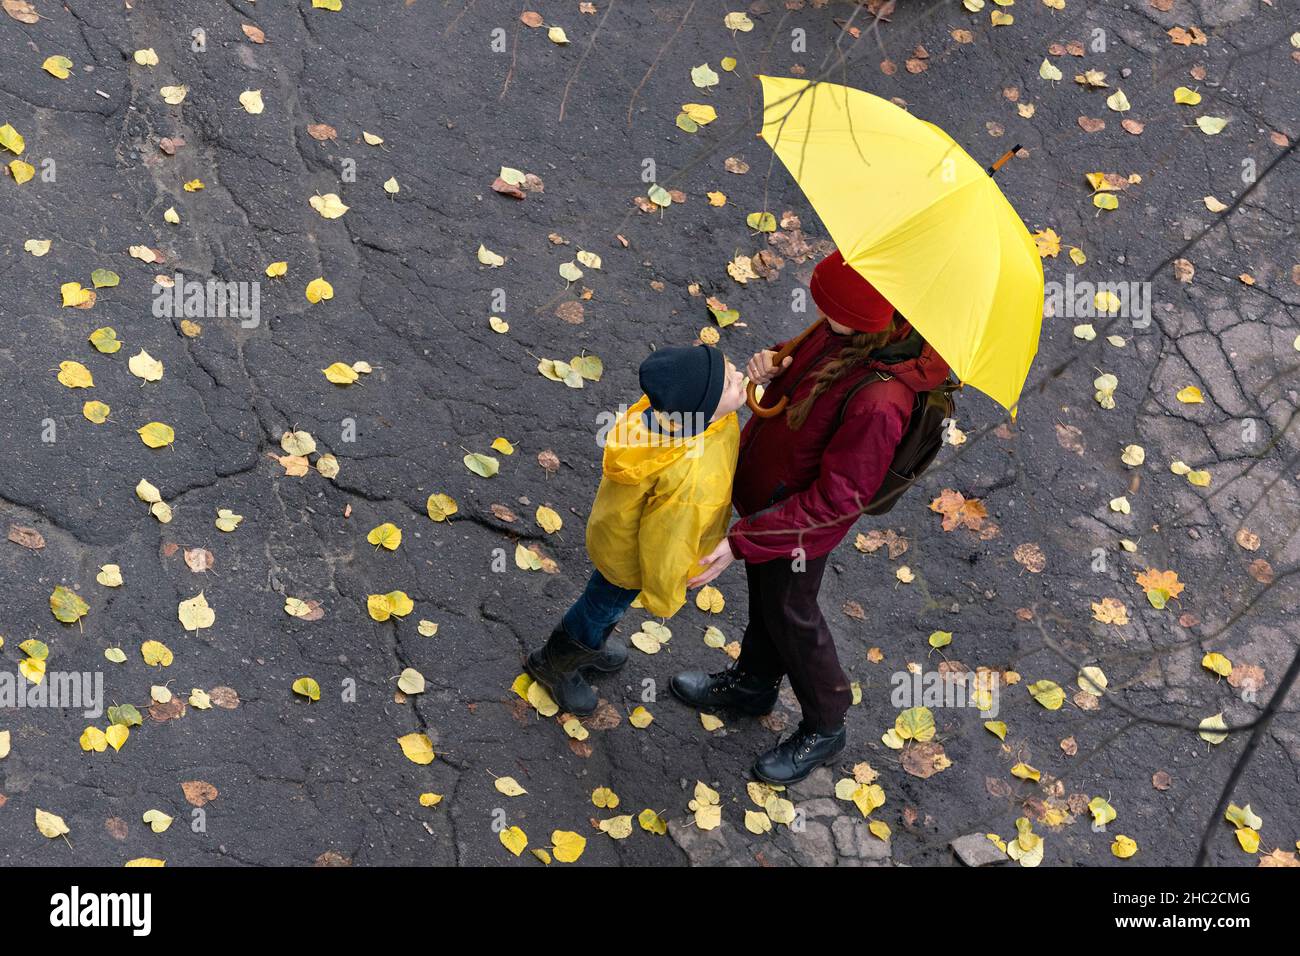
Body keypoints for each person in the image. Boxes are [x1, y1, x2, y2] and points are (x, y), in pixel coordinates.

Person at [672, 250, 952, 785]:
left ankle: (827, 723)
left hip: (798, 526)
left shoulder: (881, 403)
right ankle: (754, 684)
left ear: (872, 320)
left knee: (793, 617)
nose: (822, 316)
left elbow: (836, 502)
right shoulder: (850, 331)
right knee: (770, 603)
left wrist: (744, 539)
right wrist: (773, 362)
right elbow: (807, 375)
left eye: (833, 311)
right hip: (773, 503)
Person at [525, 344, 747, 716]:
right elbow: (667, 542)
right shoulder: (688, 477)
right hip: (632, 559)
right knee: (602, 606)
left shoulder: (673, 417)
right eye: (728, 382)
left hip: (618, 537)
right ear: (705, 411)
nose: (738, 375)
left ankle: (590, 645)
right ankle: (554, 663)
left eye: (730, 366)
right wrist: (665, 588)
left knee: (604, 603)